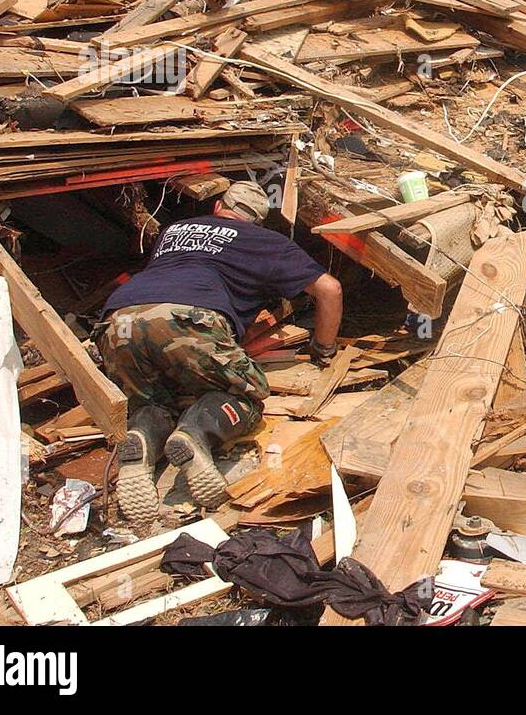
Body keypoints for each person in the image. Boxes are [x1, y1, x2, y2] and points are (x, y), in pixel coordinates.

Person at [97, 181, 343, 520]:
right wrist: (323, 348)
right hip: (189, 320)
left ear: (217, 208)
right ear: (257, 221)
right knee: (248, 393)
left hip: (117, 322)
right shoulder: (264, 241)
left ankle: (142, 434)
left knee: (159, 397)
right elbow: (330, 290)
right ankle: (196, 434)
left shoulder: (175, 229)